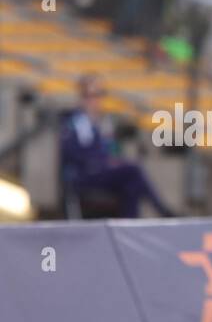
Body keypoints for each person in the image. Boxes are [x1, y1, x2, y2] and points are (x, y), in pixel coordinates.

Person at [60, 75, 175, 218]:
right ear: (82, 97)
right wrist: (101, 161)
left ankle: (130, 227)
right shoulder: (75, 122)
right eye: (90, 96)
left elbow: (112, 149)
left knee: (131, 185)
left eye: (99, 95)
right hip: (86, 174)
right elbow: (73, 153)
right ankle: (162, 210)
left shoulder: (103, 121)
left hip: (103, 170)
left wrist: (113, 160)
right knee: (133, 170)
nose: (95, 101)